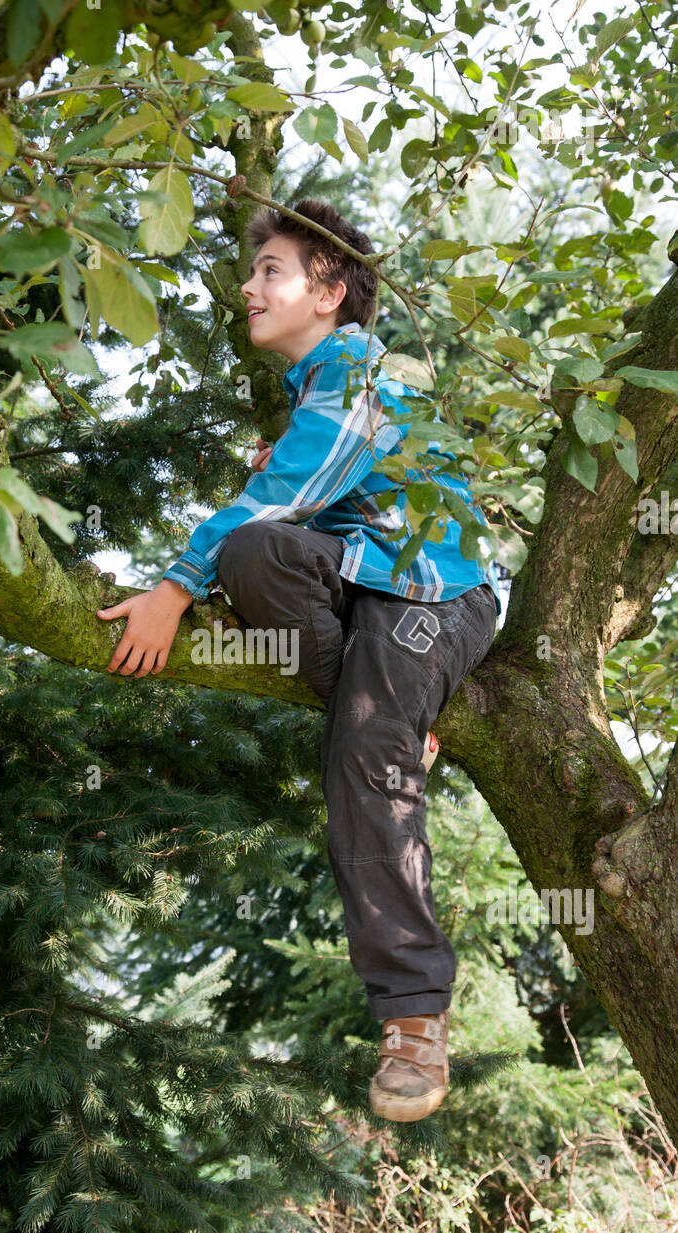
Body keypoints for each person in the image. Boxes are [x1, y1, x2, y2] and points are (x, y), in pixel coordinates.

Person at [97, 198, 501, 1122]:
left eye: (269, 271)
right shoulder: (321, 387)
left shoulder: (357, 372)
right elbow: (287, 520)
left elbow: (284, 493)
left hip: (429, 598)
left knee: (362, 747)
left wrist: (173, 588)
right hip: (367, 583)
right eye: (253, 271)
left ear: (328, 292)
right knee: (258, 556)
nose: (247, 286)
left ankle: (414, 1014)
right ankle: (392, 720)